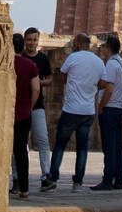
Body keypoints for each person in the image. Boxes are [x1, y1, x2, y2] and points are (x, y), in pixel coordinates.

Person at [44, 33, 110, 191]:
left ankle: (53, 178)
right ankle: (78, 182)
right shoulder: (99, 62)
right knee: (82, 148)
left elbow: (62, 77)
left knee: (60, 145)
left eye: (75, 43)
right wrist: (92, 87)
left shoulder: (72, 58)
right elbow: (105, 83)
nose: (73, 45)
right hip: (88, 112)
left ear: (79, 44)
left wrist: (74, 83)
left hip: (71, 110)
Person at [92, 34, 122, 190]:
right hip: (119, 109)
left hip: (110, 109)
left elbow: (109, 88)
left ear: (108, 48)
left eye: (104, 46)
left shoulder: (111, 64)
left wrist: (101, 106)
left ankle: (108, 180)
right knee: (118, 146)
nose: (102, 49)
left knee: (109, 146)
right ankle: (119, 179)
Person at [23, 26, 53, 188]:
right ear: (25, 41)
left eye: (34, 40)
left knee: (43, 140)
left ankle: (46, 176)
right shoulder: (20, 57)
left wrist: (39, 82)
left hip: (37, 106)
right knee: (20, 144)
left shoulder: (42, 59)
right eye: (29, 39)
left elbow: (49, 79)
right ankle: (17, 177)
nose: (32, 43)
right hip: (21, 106)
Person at [11, 32, 40, 198]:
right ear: (22, 47)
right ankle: (24, 189)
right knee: (21, 151)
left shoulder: (2, 64)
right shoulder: (30, 65)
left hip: (5, 113)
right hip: (23, 113)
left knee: (3, 151)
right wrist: (29, 106)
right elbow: (36, 89)